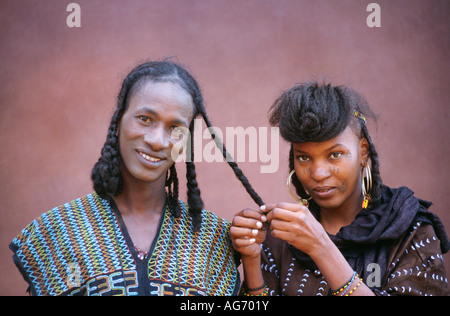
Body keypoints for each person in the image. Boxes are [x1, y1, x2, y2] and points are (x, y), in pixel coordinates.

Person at [10, 60, 263, 296]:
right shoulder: (59, 230)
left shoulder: (212, 239)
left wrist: (252, 262)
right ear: (119, 120)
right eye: (145, 119)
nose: (157, 141)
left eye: (175, 128)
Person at [231, 81, 450, 296]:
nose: (318, 173)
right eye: (304, 157)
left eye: (335, 155)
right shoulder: (280, 236)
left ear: (363, 151)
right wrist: (251, 260)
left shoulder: (409, 229)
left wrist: (321, 247)